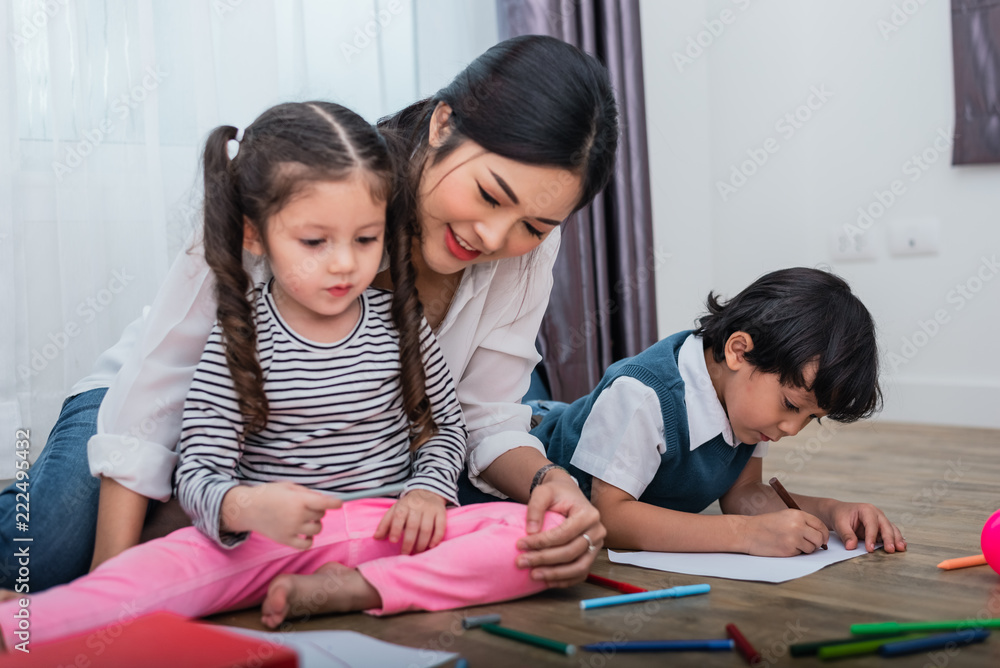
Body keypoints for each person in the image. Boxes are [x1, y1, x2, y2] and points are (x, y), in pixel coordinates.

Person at [0, 34, 618, 592]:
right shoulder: (301, 181)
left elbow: (481, 418)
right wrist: (111, 587)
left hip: (343, 455)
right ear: (442, 124)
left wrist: (549, 482)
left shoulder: (528, 255)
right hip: (165, 403)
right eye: (488, 194)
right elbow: (156, 388)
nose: (491, 235)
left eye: (533, 225)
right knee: (46, 556)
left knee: (490, 535)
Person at [534, 268, 908, 556]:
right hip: (535, 435)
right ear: (739, 351)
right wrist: (745, 535)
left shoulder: (746, 408)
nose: (793, 429)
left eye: (811, 418)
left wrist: (830, 511)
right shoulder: (642, 396)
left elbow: (742, 495)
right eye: (792, 405)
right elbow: (610, 518)